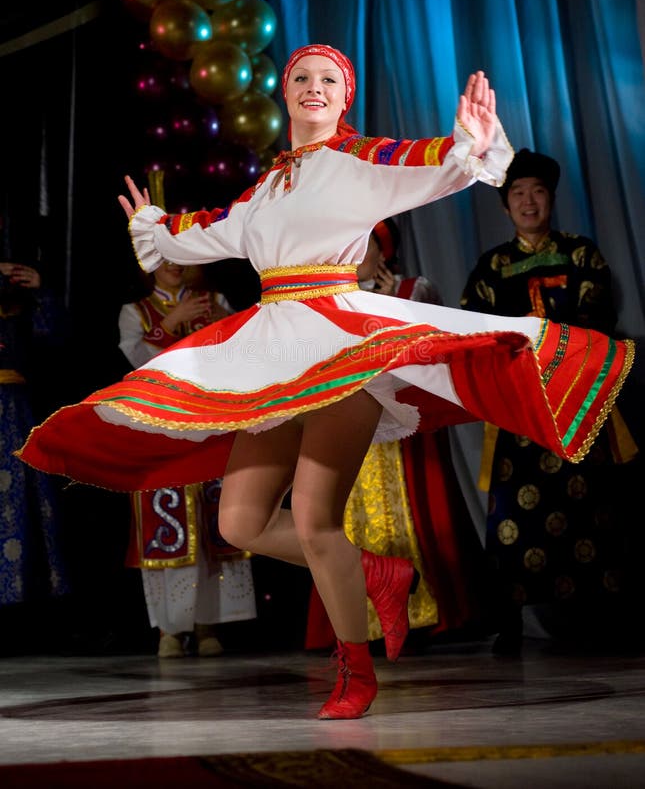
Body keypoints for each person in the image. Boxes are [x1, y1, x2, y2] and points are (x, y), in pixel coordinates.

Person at [17, 46, 634, 720]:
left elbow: (430, 164)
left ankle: (355, 670)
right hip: (270, 351)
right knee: (241, 520)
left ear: (345, 98)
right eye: (302, 79)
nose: (315, 88)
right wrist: (152, 227)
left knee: (314, 522)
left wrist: (471, 145)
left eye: (329, 81)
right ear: (285, 95)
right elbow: (199, 233)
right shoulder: (263, 190)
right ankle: (376, 571)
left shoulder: (359, 160)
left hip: (342, 347)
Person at [460, 148, 641, 654]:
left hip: (578, 397)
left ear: (552, 198)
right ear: (504, 206)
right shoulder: (492, 266)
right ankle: (511, 623)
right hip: (521, 408)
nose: (528, 201)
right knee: (516, 518)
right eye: (517, 193)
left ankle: (611, 618)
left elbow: (596, 313)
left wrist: (554, 350)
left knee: (593, 505)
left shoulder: (582, 254)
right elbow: (475, 325)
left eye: (537, 191)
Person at [305, 220, 487, 653]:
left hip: (405, 421)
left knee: (419, 510)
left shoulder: (413, 290)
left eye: (363, 244)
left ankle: (429, 614)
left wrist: (390, 310)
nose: (352, 253)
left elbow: (437, 348)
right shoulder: (332, 300)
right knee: (347, 515)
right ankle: (359, 623)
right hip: (352, 420)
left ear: (382, 249)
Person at [119, 260, 257, 657]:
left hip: (211, 423)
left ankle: (208, 625)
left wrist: (223, 322)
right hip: (162, 428)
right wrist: (170, 322)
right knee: (171, 523)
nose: (173, 266)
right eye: (162, 260)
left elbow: (242, 351)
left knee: (216, 519)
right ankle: (170, 629)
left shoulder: (214, 302)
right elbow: (140, 365)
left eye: (179, 257)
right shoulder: (135, 312)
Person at [0, 259, 70, 648]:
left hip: (12, 409)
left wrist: (40, 290)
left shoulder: (15, 293)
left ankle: (21, 618)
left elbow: (52, 337)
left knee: (22, 512)